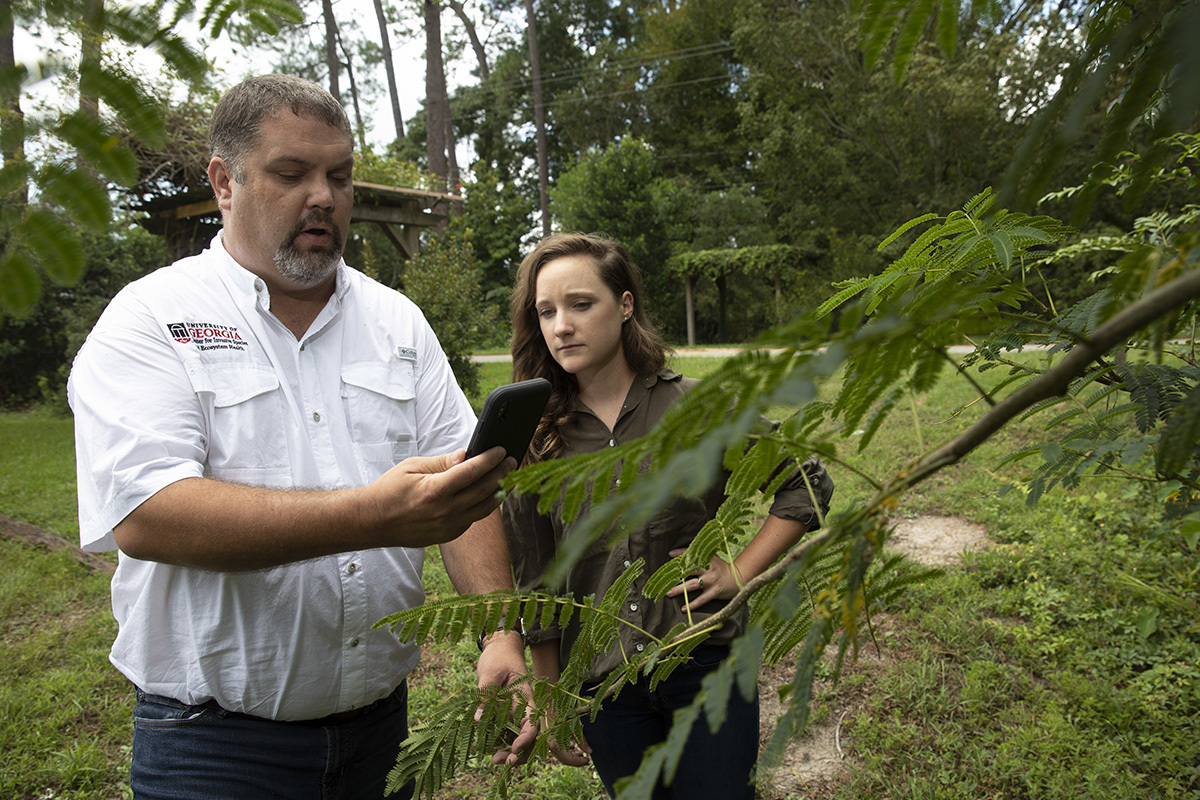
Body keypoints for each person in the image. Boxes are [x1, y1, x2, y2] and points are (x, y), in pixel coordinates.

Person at [68, 74, 530, 800]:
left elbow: (463, 484)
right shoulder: (152, 318)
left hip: (383, 737)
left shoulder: (396, 322)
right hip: (211, 750)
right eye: (292, 173)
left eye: (339, 176)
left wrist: (500, 631)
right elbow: (147, 514)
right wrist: (373, 514)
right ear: (225, 181)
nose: (323, 196)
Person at [497, 232, 834, 798]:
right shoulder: (536, 439)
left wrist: (742, 570)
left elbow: (805, 484)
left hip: (705, 663)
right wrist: (553, 697)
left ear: (625, 305)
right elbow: (539, 583)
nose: (561, 326)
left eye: (581, 304)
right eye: (546, 312)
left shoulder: (702, 407)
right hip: (605, 684)